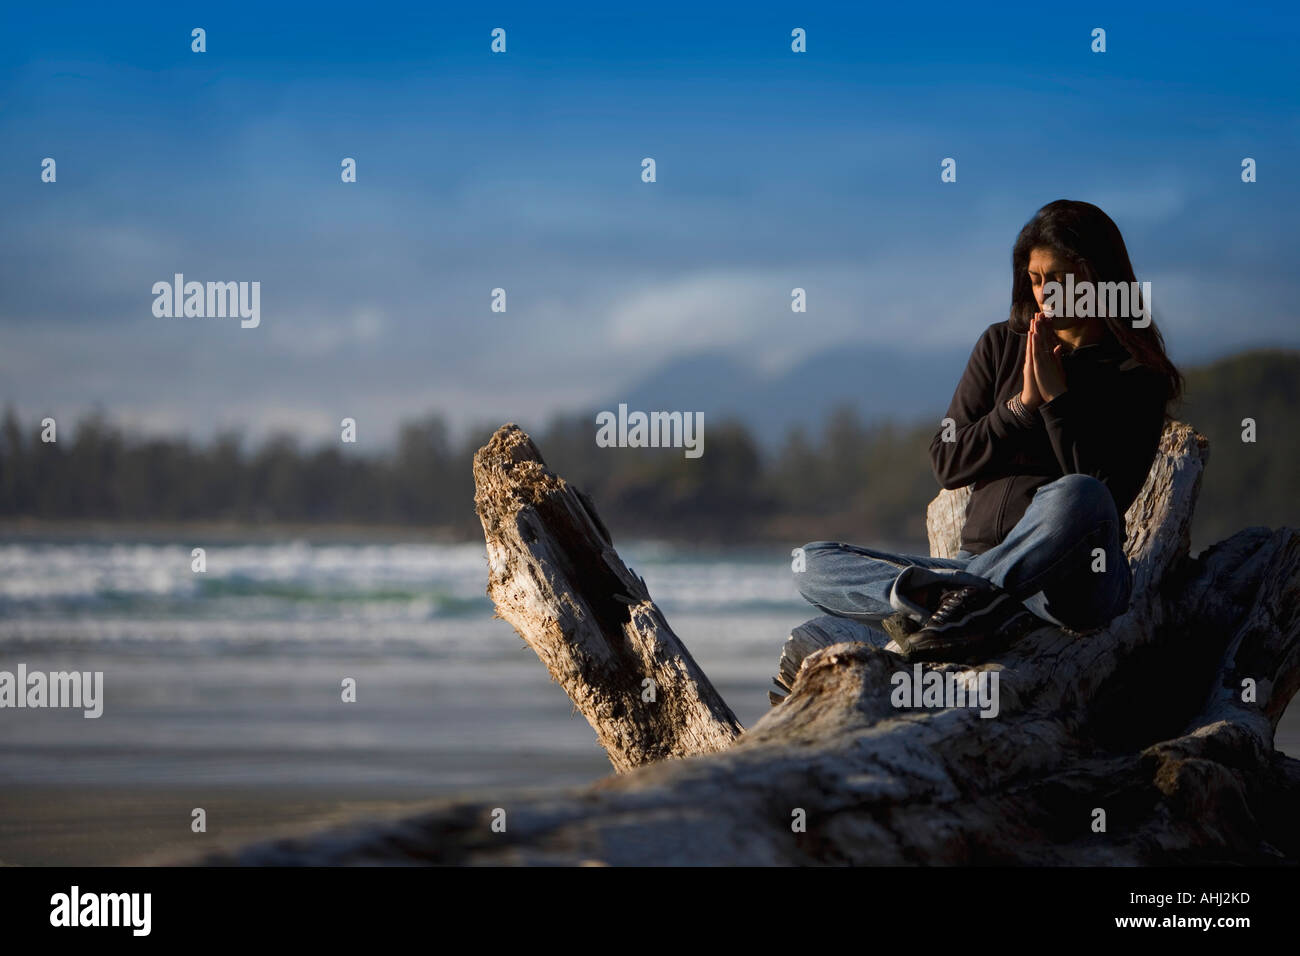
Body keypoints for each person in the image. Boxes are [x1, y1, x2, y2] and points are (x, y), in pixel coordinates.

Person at [792, 199, 1183, 662]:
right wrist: (1020, 408)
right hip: (972, 565)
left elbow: (1105, 495)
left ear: (1096, 276)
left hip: (1073, 580)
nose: (1044, 294)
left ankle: (949, 607)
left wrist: (1057, 402)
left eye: (1057, 278)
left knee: (1079, 493)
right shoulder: (1001, 344)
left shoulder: (1136, 373)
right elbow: (948, 461)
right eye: (1036, 280)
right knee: (810, 562)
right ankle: (971, 606)